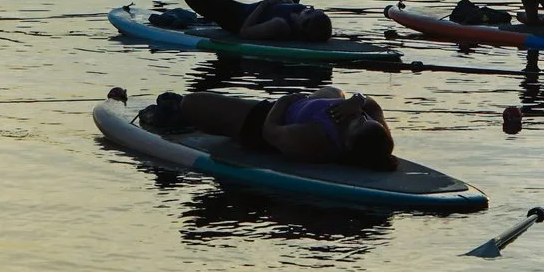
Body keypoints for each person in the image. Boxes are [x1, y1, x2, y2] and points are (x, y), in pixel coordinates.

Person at [158, 86, 395, 170]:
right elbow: (372, 105)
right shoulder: (380, 137)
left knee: (191, 103)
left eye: (357, 124)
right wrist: (357, 101)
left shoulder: (314, 138)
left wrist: (282, 103)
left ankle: (176, 113)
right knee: (335, 92)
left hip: (264, 119)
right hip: (308, 105)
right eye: (364, 119)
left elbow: (269, 132)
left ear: (348, 144)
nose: (359, 117)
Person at [182, 0, 331, 43]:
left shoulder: (279, 25)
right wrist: (287, 3)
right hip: (264, 8)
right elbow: (294, 9)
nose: (307, 9)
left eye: (309, 11)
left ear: (304, 23)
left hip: (239, 16)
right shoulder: (300, 15)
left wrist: (265, 3)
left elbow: (245, 32)